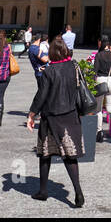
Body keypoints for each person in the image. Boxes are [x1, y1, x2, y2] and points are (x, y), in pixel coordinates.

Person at [26, 37, 86, 207]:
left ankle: (43, 191)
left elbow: (41, 96)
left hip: (51, 118)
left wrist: (31, 114)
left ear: (51, 53)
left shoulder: (49, 71)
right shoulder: (74, 66)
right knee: (70, 156)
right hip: (70, 115)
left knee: (45, 154)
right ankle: (78, 191)